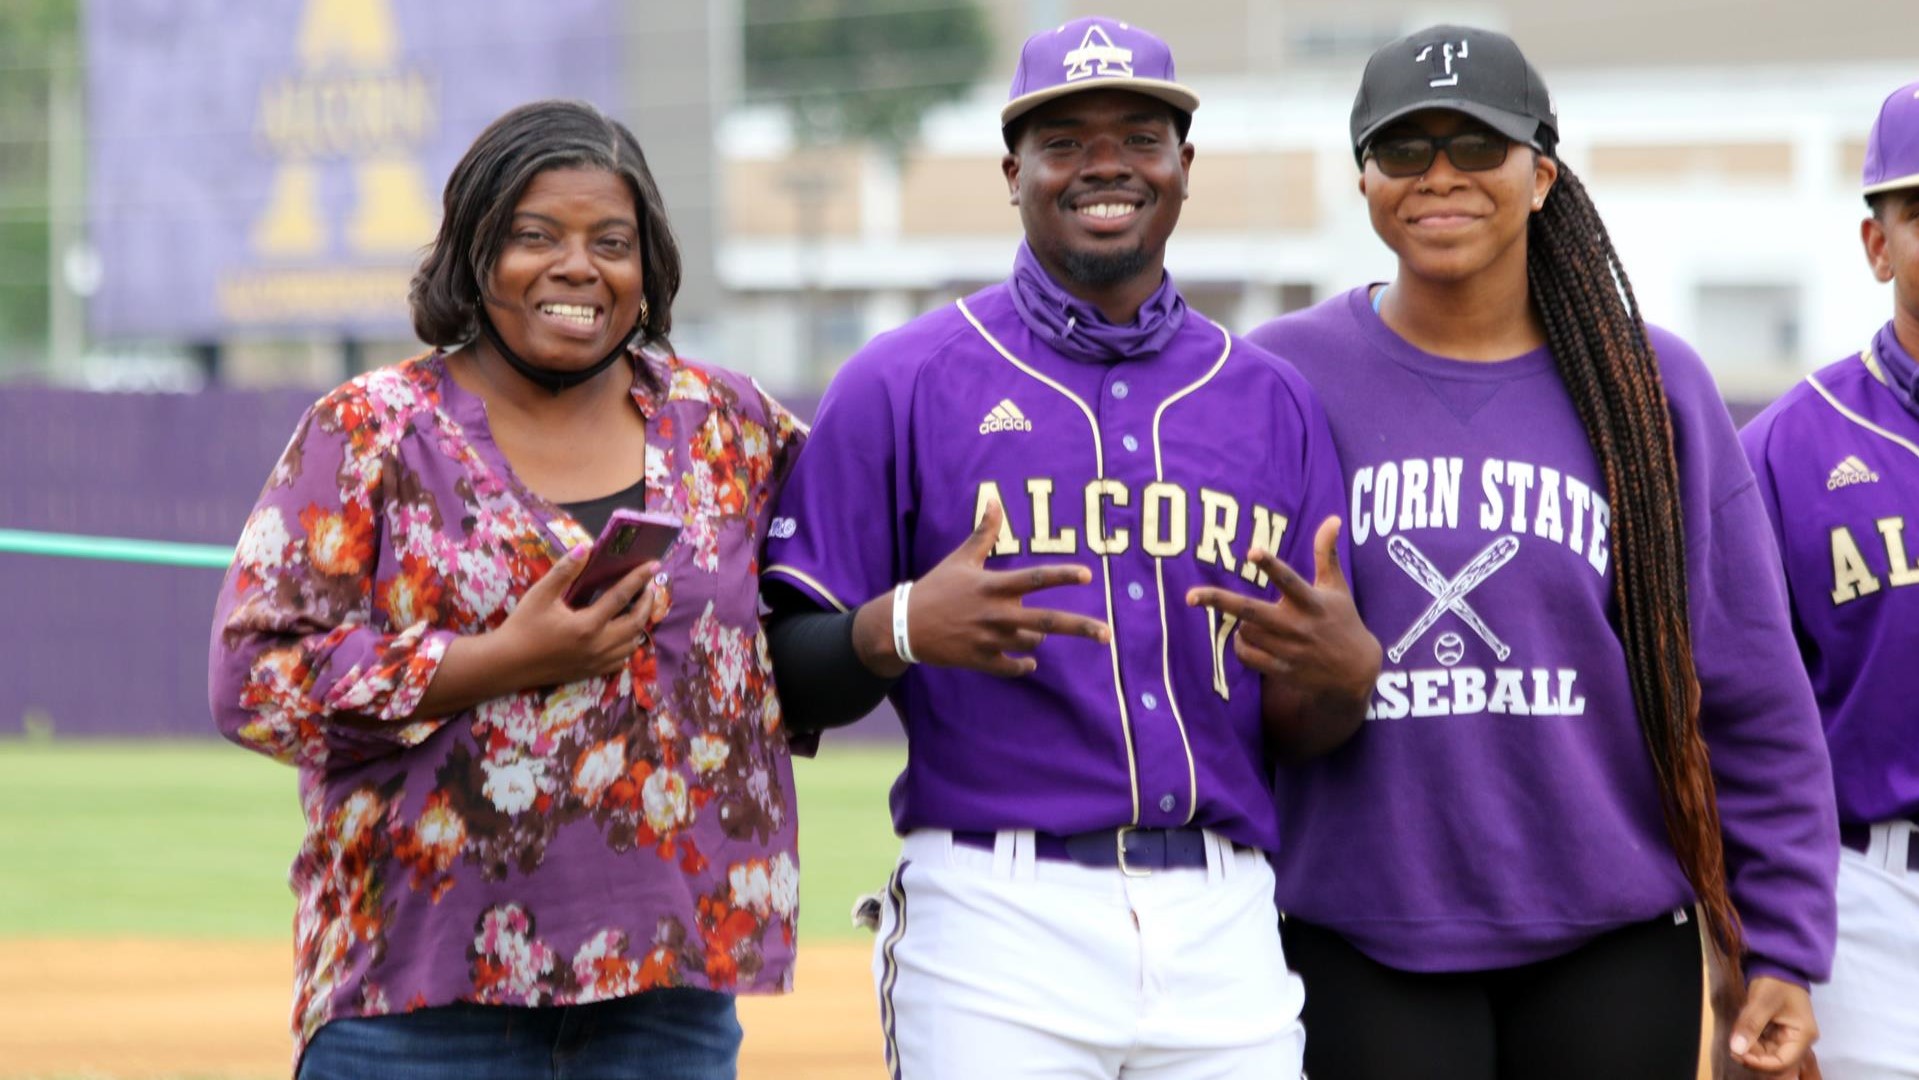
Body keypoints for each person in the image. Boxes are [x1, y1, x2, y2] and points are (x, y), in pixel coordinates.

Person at [758, 15, 1379, 1080]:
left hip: (1222, 918)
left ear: (1184, 167)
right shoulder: (902, 382)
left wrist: (1346, 679)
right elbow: (779, 678)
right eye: (1064, 139)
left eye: (1139, 135)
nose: (1105, 164)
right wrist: (899, 624)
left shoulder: (1269, 400)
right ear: (1013, 172)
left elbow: (1304, 716)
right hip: (996, 918)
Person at [1246, 25, 1838, 1080]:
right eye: (1403, 149)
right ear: (1363, 179)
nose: (1439, 177)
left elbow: (1748, 687)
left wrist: (1779, 943)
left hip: (1607, 935)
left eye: (1476, 146)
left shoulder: (1647, 387)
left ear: (1539, 174)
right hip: (1357, 934)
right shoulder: (1279, 378)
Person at [208, 99, 806, 1080]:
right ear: (475, 254)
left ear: (647, 266)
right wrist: (503, 662)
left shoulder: (725, 426)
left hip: (665, 994)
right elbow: (253, 684)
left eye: (611, 242)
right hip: (419, 995)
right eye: (536, 237)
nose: (577, 266)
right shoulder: (371, 432)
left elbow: (837, 571)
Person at [1740, 80, 1919, 1080]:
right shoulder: (1784, 449)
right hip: (1870, 903)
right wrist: (1765, 947)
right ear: (1875, 245)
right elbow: (1735, 722)